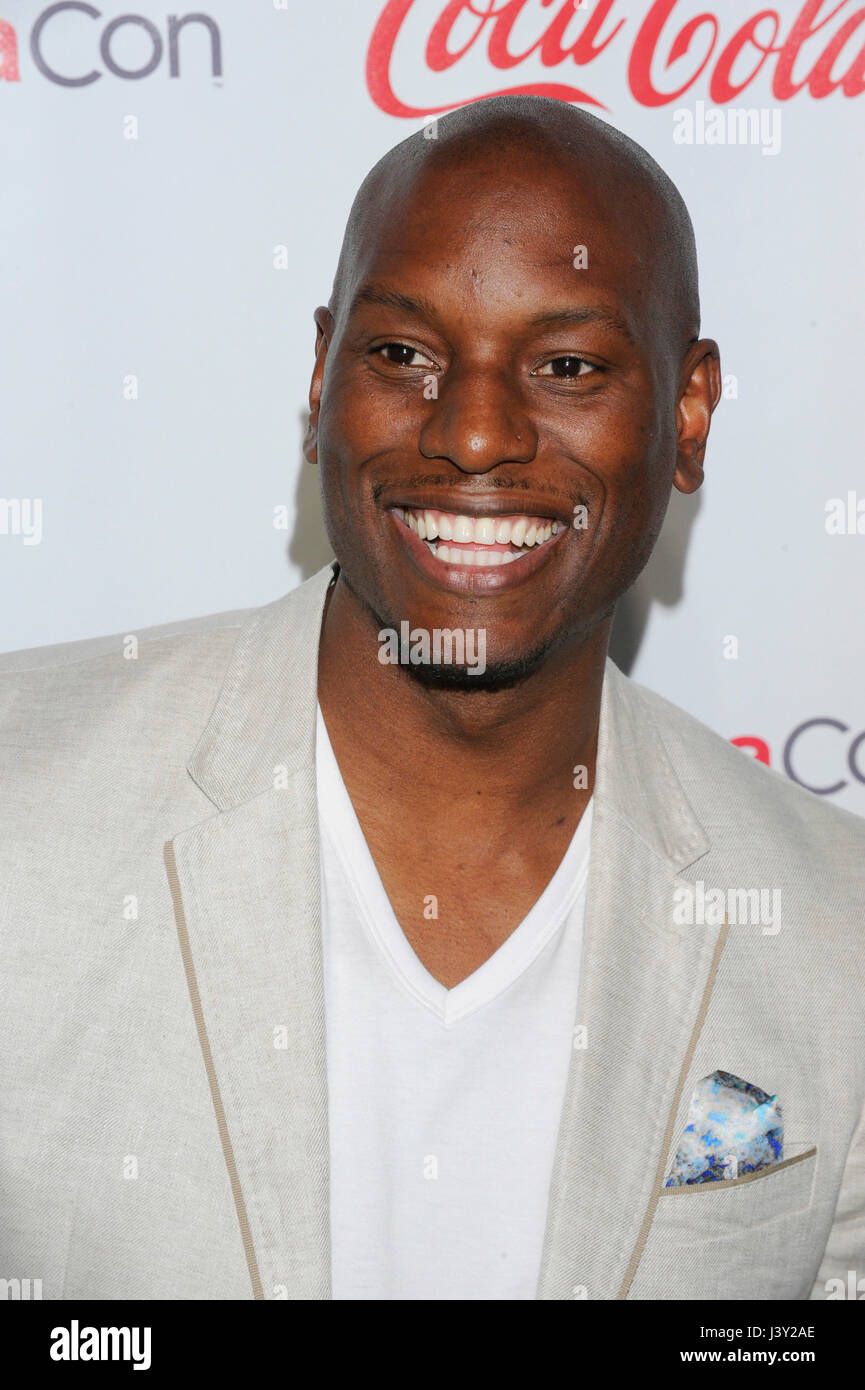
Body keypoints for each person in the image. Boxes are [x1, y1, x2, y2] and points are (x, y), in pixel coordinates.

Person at [1, 95, 863, 1303]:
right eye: (402, 353)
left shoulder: (835, 934)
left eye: (567, 365)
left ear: (686, 411)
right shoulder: (18, 809)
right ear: (319, 375)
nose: (469, 434)